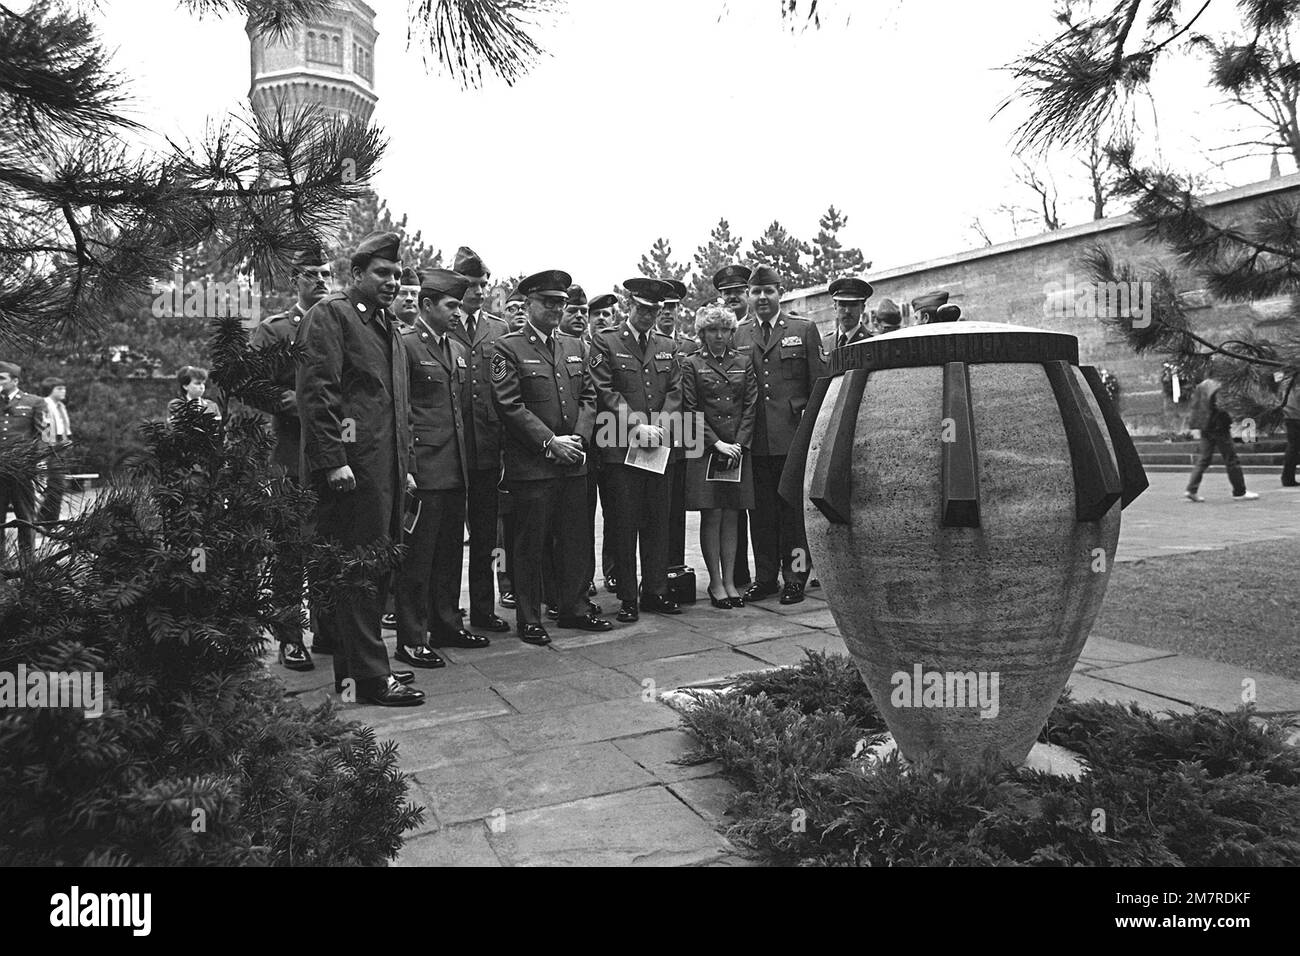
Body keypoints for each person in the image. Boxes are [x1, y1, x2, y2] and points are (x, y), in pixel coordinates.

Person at [297, 231, 424, 707]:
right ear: (356, 275)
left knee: (375, 570)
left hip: (384, 470)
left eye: (395, 275)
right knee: (358, 572)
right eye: (382, 273)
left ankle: (363, 671)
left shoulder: (386, 325)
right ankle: (370, 678)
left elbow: (396, 405)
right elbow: (317, 393)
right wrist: (333, 462)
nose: (391, 282)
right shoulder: (331, 314)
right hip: (352, 471)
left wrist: (406, 467)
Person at [491, 269, 608, 644]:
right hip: (534, 467)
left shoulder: (576, 347)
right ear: (528, 305)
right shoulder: (508, 348)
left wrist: (578, 439)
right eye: (548, 302)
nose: (557, 308)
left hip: (573, 463)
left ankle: (573, 607)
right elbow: (510, 405)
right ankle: (529, 617)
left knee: (574, 539)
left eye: (561, 302)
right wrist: (549, 442)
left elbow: (589, 397)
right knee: (530, 544)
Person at [395, 268, 491, 669]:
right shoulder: (405, 346)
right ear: (426, 305)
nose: (457, 311)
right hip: (425, 468)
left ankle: (446, 623)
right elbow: (402, 411)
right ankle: (411, 639)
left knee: (450, 554)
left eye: (458, 304)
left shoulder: (455, 349)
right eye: (450, 305)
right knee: (418, 559)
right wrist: (408, 468)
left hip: (456, 468)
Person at [249, 246, 333, 670]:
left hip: (336, 452)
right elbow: (247, 382)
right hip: (291, 452)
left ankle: (327, 630)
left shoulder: (342, 324)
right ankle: (289, 637)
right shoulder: (277, 330)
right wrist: (293, 402)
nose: (321, 280)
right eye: (312, 273)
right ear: (294, 279)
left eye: (326, 273)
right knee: (291, 548)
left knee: (328, 544)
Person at [588, 277, 684, 622]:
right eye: (642, 309)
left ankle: (655, 590)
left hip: (657, 446)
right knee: (624, 524)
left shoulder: (667, 345)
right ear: (630, 305)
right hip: (619, 449)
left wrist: (659, 426)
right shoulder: (606, 341)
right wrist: (635, 425)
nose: (648, 316)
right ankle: (628, 596)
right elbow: (605, 390)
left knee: (658, 522)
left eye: (654, 310)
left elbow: (675, 390)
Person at [734, 265, 824, 605]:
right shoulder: (739, 335)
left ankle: (796, 577)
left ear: (779, 293)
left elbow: (819, 385)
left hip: (792, 438)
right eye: (755, 292)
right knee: (761, 514)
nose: (762, 298)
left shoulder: (803, 329)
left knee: (794, 515)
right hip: (755, 438)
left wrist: (811, 436)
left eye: (768, 291)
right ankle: (766, 578)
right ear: (749, 296)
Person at [447, 246, 512, 634]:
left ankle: (484, 610)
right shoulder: (443, 323)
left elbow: (505, 393)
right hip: (450, 450)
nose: (480, 290)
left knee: (488, 536)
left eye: (484, 283)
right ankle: (448, 612)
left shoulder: (499, 329)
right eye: (472, 283)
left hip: (488, 447)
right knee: (451, 537)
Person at [681, 306, 757, 609]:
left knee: (732, 514)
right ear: (702, 333)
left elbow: (751, 406)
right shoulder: (691, 364)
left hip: (737, 448)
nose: (719, 336)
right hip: (707, 449)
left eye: (724, 330)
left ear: (730, 333)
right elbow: (689, 409)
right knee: (712, 514)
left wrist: (737, 444)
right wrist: (717, 444)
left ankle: (730, 580)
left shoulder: (743, 361)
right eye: (712, 330)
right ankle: (715, 581)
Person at [711, 264, 753, 588]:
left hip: (751, 437)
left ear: (747, 293)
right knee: (724, 513)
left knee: (758, 513)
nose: (733, 298)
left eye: (738, 292)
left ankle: (772, 574)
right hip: (718, 443)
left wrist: (741, 440)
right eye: (726, 294)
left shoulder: (752, 330)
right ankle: (734, 577)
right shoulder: (711, 335)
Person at [587, 291, 621, 593]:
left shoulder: (616, 346)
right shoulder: (577, 348)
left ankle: (613, 570)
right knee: (581, 517)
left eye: (607, 314)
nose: (601, 318)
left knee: (615, 513)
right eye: (595, 314)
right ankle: (583, 576)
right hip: (584, 445)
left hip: (613, 441)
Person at [1185, 369, 1260, 502]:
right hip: (1219, 427)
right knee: (1231, 459)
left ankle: (1191, 489)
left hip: (1205, 427)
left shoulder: (1201, 386)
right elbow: (1223, 407)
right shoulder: (1218, 387)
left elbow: (1196, 407)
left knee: (1203, 459)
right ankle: (1239, 491)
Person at [0, 360, 47, 562]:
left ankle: (28, 565)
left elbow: (43, 436)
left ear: (15, 380)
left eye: (2, 378)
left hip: (22, 471)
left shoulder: (34, 402)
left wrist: (39, 464)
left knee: (25, 518)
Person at [36, 377, 73, 527]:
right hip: (49, 446)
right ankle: (48, 521)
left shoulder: (61, 406)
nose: (63, 391)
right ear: (50, 390)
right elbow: (44, 427)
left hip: (60, 445)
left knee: (58, 484)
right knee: (56, 483)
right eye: (59, 388)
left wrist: (66, 441)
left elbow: (64, 426)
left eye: (64, 388)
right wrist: (47, 448)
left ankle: (46, 519)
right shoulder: (44, 404)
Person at [823, 277, 873, 351]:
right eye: (842, 305)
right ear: (835, 307)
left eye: (853, 305)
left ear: (862, 308)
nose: (847, 311)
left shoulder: (872, 342)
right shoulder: (825, 343)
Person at [1283, 370, 1300, 488]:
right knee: (1293, 448)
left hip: (1289, 415)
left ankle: (1287, 478)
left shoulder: (1286, 378)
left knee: (1292, 448)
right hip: (1296, 416)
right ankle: (1288, 478)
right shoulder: (1296, 378)